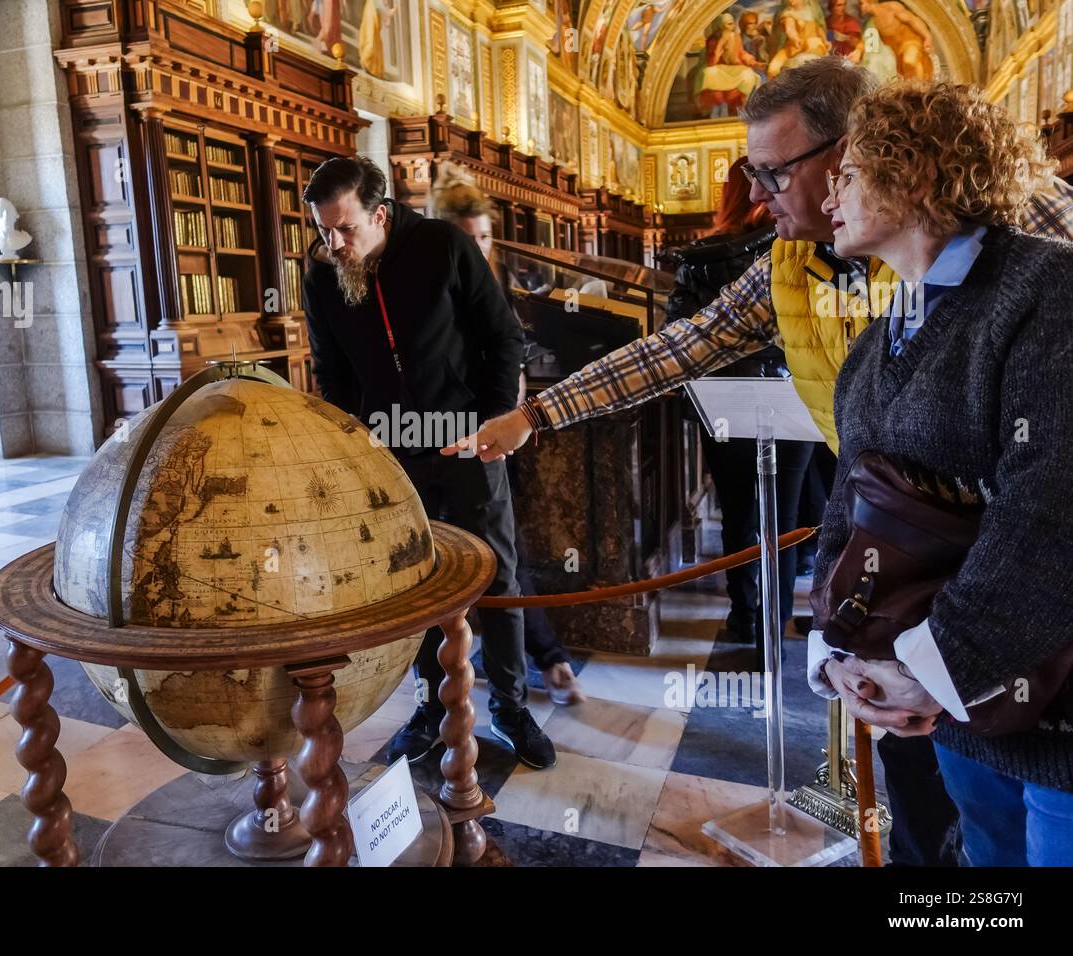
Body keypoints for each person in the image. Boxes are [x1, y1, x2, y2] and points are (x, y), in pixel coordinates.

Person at [441, 56, 1073, 865]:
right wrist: (537, 411)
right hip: (914, 593)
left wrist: (942, 656)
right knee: (944, 821)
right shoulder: (800, 269)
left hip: (1030, 616)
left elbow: (1050, 502)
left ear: (861, 156)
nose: (759, 191)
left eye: (773, 171)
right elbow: (684, 351)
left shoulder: (1030, 247)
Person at [811, 81, 1073, 866]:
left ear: (917, 174)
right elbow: (849, 502)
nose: (831, 196)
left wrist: (937, 666)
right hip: (968, 712)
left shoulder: (1047, 289)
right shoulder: (882, 335)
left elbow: (1051, 503)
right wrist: (840, 647)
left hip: (1055, 714)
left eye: (849, 172)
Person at [299, 156, 557, 770]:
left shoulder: (442, 246)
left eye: (345, 229)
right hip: (390, 451)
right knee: (412, 583)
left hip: (466, 440)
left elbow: (504, 337)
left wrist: (491, 421)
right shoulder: (321, 273)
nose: (333, 243)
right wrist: (351, 445)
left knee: (495, 574)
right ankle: (429, 708)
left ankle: (512, 708)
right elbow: (331, 372)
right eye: (322, 230)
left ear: (380, 214)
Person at [431, 162, 587, 707]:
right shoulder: (432, 287)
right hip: (446, 436)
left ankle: (534, 668)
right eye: (467, 239)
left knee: (505, 553)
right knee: (452, 556)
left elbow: (507, 349)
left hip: (498, 432)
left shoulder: (491, 278)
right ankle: (452, 687)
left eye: (485, 237)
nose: (478, 248)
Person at [661, 157, 814, 661]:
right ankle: (776, 624)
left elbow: (678, 335)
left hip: (722, 399)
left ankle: (743, 611)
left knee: (737, 513)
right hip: (794, 394)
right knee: (784, 518)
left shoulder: (702, 254)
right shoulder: (798, 246)